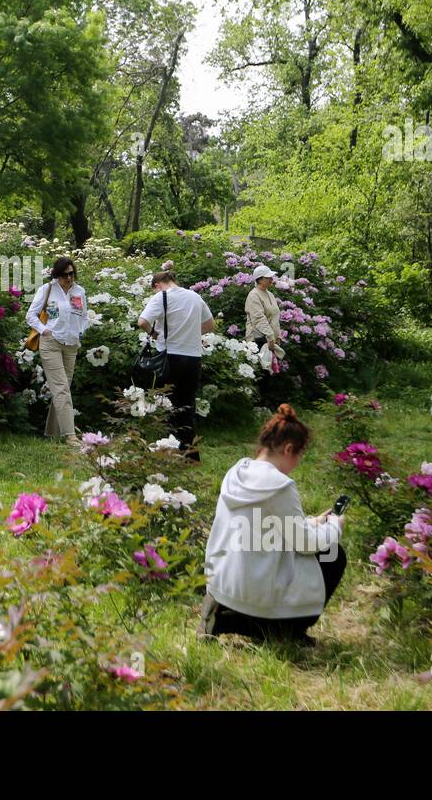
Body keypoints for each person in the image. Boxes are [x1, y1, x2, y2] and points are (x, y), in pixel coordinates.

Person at [200, 404, 346, 645]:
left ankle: (220, 613)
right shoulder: (280, 485)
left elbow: (264, 527)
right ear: (289, 449)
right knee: (333, 555)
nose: (297, 464)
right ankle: (285, 631)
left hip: (221, 581)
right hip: (255, 590)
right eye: (299, 456)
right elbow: (306, 544)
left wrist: (314, 522)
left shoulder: (236, 472)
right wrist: (334, 527)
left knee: (317, 546)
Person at [137, 270, 215, 459]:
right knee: (187, 406)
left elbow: (142, 322)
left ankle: (171, 451)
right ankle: (190, 455)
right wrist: (189, 333)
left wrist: (154, 334)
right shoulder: (195, 297)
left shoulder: (161, 296)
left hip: (170, 357)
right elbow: (210, 325)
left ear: (157, 285)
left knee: (169, 404)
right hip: (193, 357)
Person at [25, 257, 90, 444]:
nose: (69, 278)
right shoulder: (47, 290)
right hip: (51, 342)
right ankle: (70, 435)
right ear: (57, 274)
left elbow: (84, 317)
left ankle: (52, 432)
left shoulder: (79, 291)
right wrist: (45, 331)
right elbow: (31, 315)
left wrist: (81, 331)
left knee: (63, 388)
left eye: (71, 273)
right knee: (61, 388)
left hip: (72, 344)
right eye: (64, 274)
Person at [244, 265, 283, 365]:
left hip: (270, 341)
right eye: (268, 277)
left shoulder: (270, 294)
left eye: (271, 277)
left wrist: (277, 336)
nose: (271, 279)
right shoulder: (254, 295)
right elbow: (259, 319)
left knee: (271, 372)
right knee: (261, 374)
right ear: (260, 280)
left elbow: (275, 316)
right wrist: (270, 337)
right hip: (258, 340)